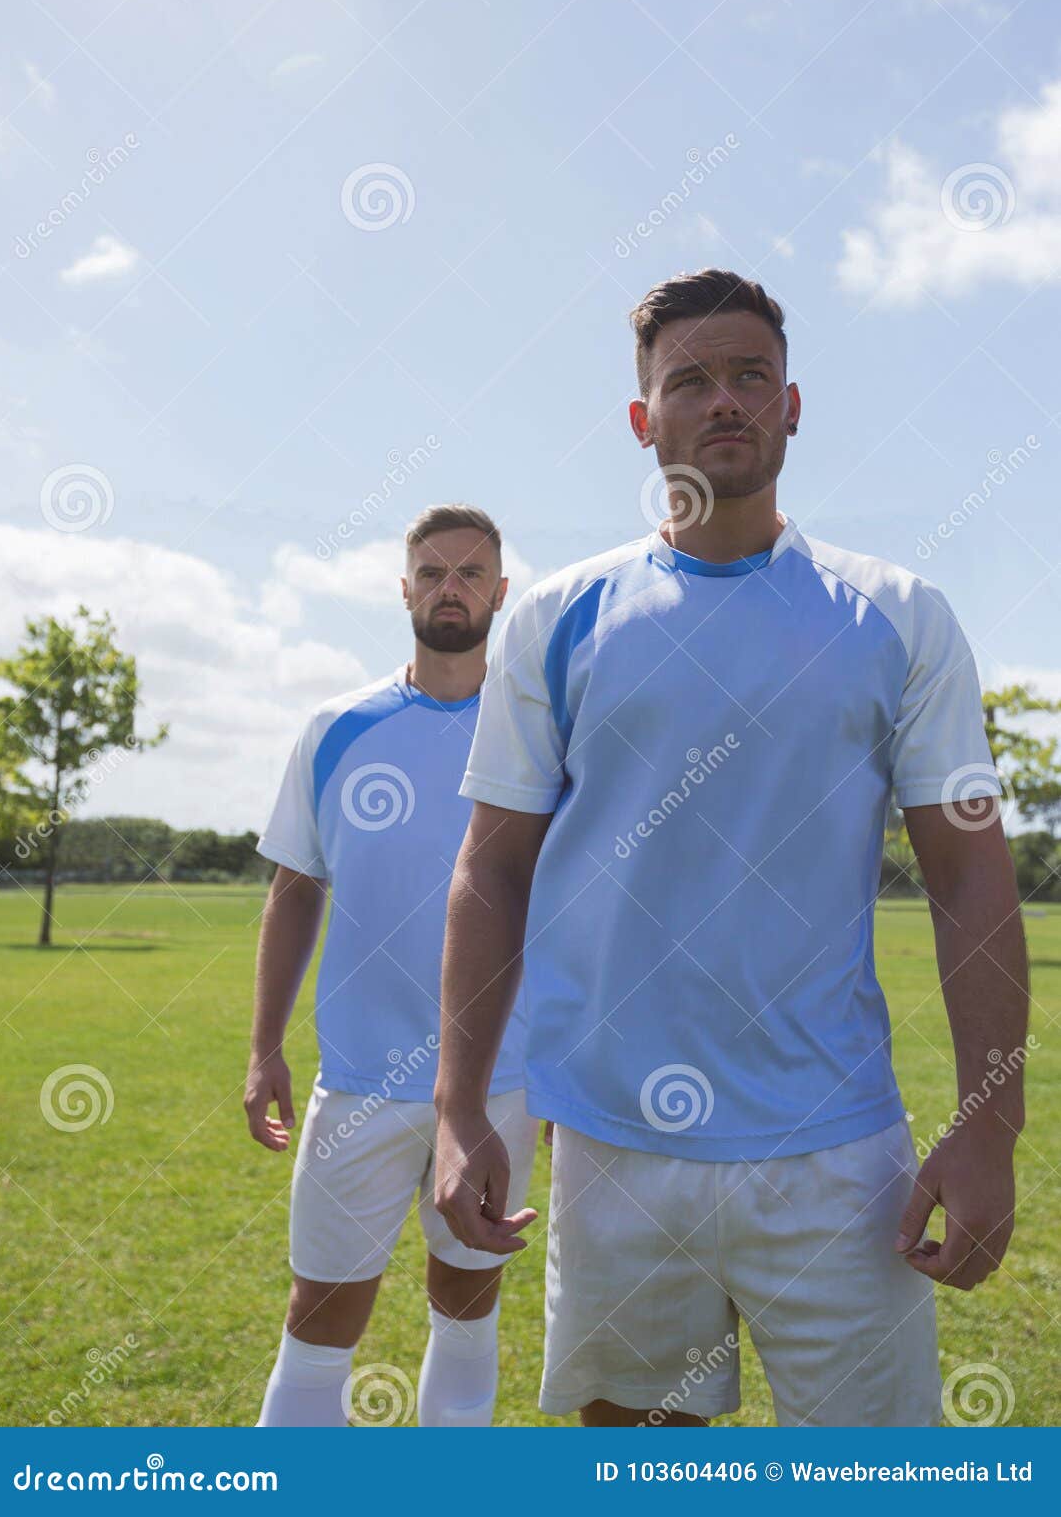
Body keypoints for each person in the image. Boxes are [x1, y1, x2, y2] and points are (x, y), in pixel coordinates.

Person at [433, 270, 1028, 1428]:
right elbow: (488, 871)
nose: (723, 400)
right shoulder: (555, 619)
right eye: (688, 380)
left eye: (750, 375)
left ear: (790, 406)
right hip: (613, 1151)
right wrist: (460, 1112)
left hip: (836, 1158)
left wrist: (987, 1127)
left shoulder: (899, 615)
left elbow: (968, 876)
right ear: (640, 418)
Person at [247, 504, 537, 1428]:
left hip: (501, 1085)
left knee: (467, 1305)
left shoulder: (539, 729)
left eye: (470, 573)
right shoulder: (335, 727)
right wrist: (263, 1047)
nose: (450, 588)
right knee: (319, 1317)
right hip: (360, 1082)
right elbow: (295, 890)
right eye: (432, 572)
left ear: (500, 592)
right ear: (403, 589)